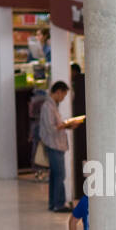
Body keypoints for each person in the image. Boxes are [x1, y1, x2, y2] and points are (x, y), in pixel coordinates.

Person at [38, 80, 81, 212]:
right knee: (59, 175)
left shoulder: (53, 106)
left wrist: (67, 125)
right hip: (54, 145)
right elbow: (51, 128)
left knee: (55, 175)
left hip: (57, 145)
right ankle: (59, 204)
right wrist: (67, 124)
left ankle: (54, 203)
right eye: (63, 95)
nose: (63, 98)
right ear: (58, 92)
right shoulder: (48, 107)